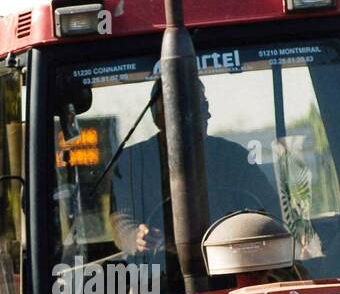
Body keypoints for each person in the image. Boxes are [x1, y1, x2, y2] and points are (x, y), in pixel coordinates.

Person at [108, 79, 281, 258]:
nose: (207, 114)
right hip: (157, 273)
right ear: (161, 117)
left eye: (205, 105)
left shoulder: (233, 156)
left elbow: (269, 208)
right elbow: (121, 218)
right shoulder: (132, 162)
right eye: (195, 108)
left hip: (233, 263)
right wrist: (136, 236)